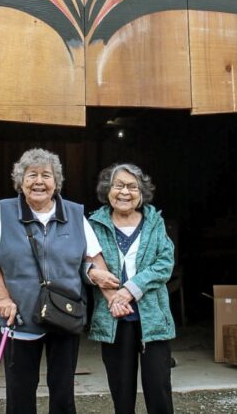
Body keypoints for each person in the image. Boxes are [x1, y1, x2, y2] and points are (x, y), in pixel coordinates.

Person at [0, 148, 104, 413]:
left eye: (46, 175)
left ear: (56, 182)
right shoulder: (3, 211)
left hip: (66, 313)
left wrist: (106, 283)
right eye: (31, 175)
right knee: (20, 391)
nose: (39, 182)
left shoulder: (75, 214)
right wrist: (3, 298)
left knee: (63, 390)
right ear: (20, 181)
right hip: (19, 316)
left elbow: (94, 257)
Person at [86, 163, 176, 414]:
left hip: (153, 319)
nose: (125, 192)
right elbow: (81, 265)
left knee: (158, 387)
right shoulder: (93, 224)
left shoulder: (154, 222)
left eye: (132, 187)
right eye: (118, 186)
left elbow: (165, 263)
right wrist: (93, 275)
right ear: (108, 190)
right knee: (121, 390)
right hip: (114, 320)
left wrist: (130, 289)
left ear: (141, 193)